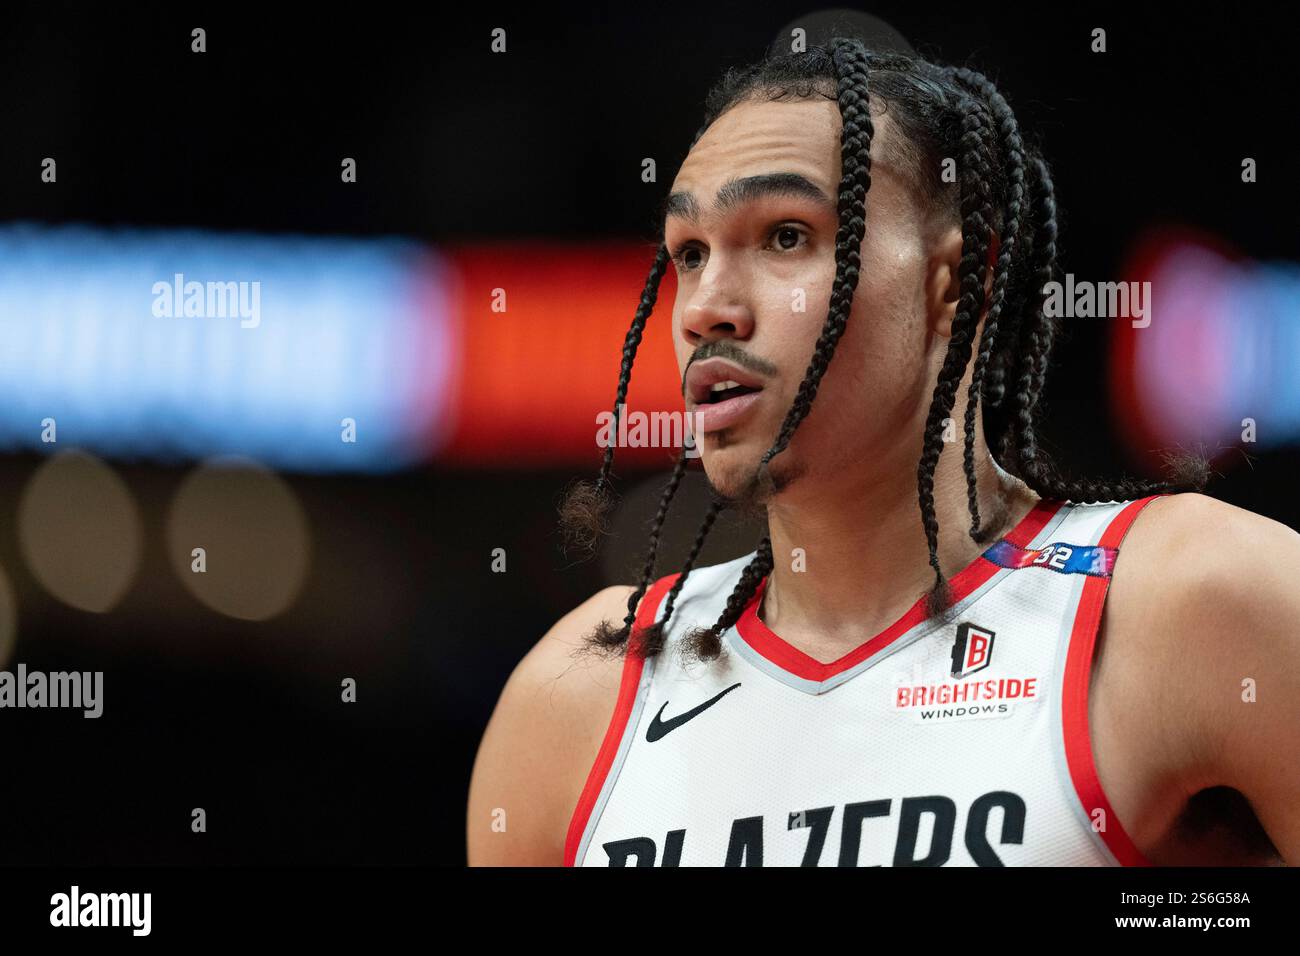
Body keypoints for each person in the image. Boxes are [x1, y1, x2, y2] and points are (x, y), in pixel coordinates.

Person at [467, 39, 1298, 866]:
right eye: (690, 252)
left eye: (786, 236)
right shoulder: (575, 701)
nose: (706, 307)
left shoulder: (1198, 602)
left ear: (956, 280)